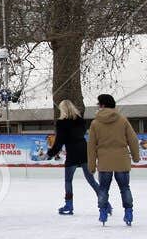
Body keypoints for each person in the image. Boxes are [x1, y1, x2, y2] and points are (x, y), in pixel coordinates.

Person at [87, 93, 141, 226]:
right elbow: (133, 139)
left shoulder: (95, 123)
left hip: (104, 161)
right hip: (121, 160)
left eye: (99, 104)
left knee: (103, 189)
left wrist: (92, 165)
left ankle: (103, 212)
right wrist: (135, 156)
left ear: (103, 105)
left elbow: (91, 146)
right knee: (125, 188)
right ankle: (128, 212)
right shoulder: (122, 120)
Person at [48, 99, 99, 215]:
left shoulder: (61, 123)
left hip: (72, 154)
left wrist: (50, 153)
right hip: (83, 151)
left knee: (68, 180)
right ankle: (104, 202)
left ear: (63, 109)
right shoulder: (81, 121)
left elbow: (59, 142)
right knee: (91, 179)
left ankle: (69, 205)